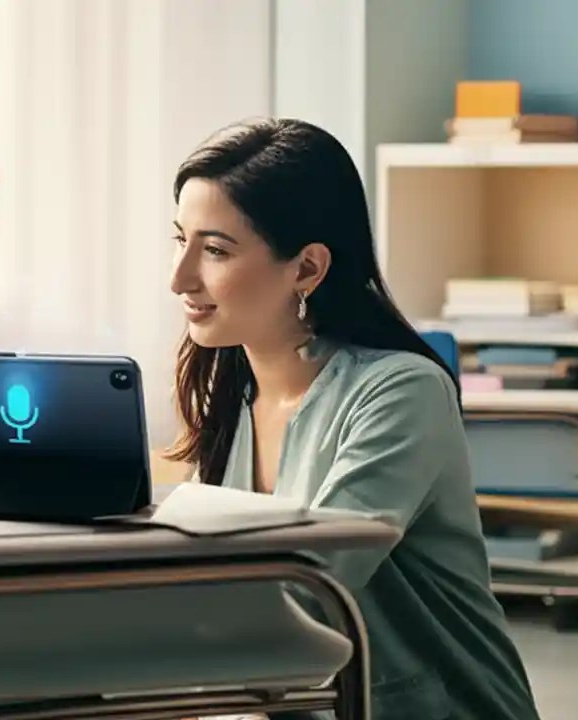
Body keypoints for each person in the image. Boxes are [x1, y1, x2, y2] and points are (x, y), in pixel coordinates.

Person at [166, 119, 540, 720]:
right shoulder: (230, 393)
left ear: (308, 269)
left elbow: (315, 591)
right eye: (179, 240)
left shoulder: (401, 392)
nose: (179, 278)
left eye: (214, 250)